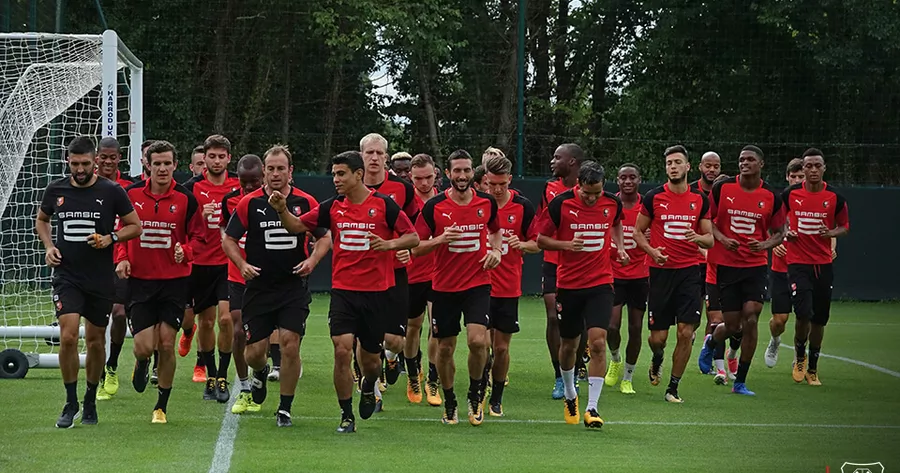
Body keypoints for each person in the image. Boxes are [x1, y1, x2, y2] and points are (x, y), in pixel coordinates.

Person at [271, 150, 419, 433]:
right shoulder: (332, 207)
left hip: (377, 294)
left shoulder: (385, 205)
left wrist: (387, 245)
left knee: (372, 362)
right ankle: (346, 415)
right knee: (342, 351)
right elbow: (296, 226)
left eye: (341, 174)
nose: (335, 179)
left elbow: (412, 237)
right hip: (343, 293)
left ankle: (368, 386)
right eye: (334, 174)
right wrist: (281, 210)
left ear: (358, 174)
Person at [36, 136, 141, 428]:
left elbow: (136, 226)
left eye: (85, 163)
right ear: (67, 162)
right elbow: (42, 220)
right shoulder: (56, 189)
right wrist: (48, 246)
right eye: (74, 163)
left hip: (100, 279)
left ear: (95, 161)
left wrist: (111, 238)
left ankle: (90, 398)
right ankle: (70, 401)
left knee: (95, 341)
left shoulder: (111, 191)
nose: (79, 169)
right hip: (67, 276)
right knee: (68, 336)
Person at [223, 145, 322, 427]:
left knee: (290, 345)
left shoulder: (306, 202)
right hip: (259, 288)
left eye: (281, 168)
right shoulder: (249, 203)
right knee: (254, 352)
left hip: (292, 287)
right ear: (264, 171)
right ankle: (261, 371)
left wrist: (313, 260)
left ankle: (285, 407)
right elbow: (229, 239)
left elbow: (324, 236)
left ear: (291, 171)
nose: (276, 174)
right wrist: (242, 265)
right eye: (271, 168)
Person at [115, 140, 203, 423]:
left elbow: (199, 238)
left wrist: (185, 252)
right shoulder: (131, 195)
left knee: (166, 344)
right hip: (140, 282)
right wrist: (122, 258)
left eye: (167, 163)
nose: (163, 168)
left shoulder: (187, 199)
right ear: (147, 165)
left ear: (175, 165)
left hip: (174, 283)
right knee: (143, 346)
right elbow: (121, 231)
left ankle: (161, 406)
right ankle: (141, 362)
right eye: (157, 164)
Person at [413, 149, 502, 426]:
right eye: (457, 171)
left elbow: (495, 231)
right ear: (447, 174)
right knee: (445, 349)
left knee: (478, 341)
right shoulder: (434, 207)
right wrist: (439, 240)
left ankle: (475, 394)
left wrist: (496, 251)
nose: (462, 176)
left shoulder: (487, 203)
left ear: (472, 171)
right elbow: (415, 246)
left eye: (466, 170)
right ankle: (449, 401)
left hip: (478, 284)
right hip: (444, 287)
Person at [536, 160, 625, 428]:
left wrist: (619, 247)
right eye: (587, 193)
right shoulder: (560, 204)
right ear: (579, 185)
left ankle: (593, 408)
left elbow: (617, 223)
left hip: (601, 282)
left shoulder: (611, 203)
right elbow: (541, 239)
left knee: (597, 342)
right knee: (569, 346)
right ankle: (570, 393)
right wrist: (566, 244)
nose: (592, 198)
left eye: (597, 193)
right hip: (569, 285)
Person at [697, 146, 785, 395]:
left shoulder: (771, 196)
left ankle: (740, 382)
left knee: (752, 317)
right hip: (725, 265)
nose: (745, 163)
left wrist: (765, 244)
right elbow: (707, 223)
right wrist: (723, 239)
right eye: (741, 160)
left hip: (755, 266)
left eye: (750, 160)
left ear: (761, 164)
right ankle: (712, 341)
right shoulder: (722, 189)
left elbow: (780, 232)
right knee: (733, 325)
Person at [633, 145, 714, 403]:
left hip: (690, 273)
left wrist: (698, 237)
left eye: (678, 162)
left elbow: (710, 240)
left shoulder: (700, 199)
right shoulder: (653, 197)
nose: (673, 167)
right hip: (660, 273)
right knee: (658, 338)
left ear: (688, 167)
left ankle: (673, 387)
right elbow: (637, 233)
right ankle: (658, 357)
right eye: (669, 163)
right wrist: (651, 252)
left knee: (685, 332)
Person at [782, 148, 849, 386]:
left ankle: (813, 367)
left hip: (823, 264)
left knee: (819, 319)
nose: (812, 170)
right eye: (808, 166)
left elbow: (844, 226)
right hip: (798, 263)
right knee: (802, 313)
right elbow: (778, 221)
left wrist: (831, 233)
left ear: (823, 168)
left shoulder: (835, 197)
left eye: (816, 166)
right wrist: (785, 232)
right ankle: (799, 357)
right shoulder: (789, 194)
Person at [182, 135, 240, 402]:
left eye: (221, 156)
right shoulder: (191, 188)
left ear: (229, 158)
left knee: (226, 319)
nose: (216, 161)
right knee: (204, 321)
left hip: (226, 263)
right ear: (203, 158)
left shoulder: (238, 187)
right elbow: (181, 223)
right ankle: (211, 374)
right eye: (212, 156)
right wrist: (199, 217)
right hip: (200, 264)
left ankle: (223, 377)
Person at [360, 134, 419, 391]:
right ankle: (371, 387)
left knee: (395, 341)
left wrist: (407, 249)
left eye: (379, 153)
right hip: (360, 272)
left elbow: (415, 228)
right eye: (369, 153)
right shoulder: (349, 184)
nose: (374, 158)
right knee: (362, 335)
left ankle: (392, 358)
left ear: (386, 157)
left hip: (394, 271)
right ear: (361, 155)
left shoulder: (402, 189)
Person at [482, 154, 539, 417]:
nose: (496, 189)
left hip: (508, 287)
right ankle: (479, 388)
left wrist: (521, 245)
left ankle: (497, 396)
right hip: (478, 286)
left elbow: (537, 243)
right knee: (479, 343)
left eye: (501, 184)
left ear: (509, 180)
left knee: (502, 347)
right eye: (491, 184)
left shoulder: (523, 207)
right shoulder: (477, 204)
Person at [764, 158, 825, 368]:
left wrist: (832, 247)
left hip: (805, 267)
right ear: (787, 177)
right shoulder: (780, 201)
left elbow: (827, 224)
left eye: (801, 176)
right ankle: (775, 340)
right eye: (794, 176)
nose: (798, 180)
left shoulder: (814, 199)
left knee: (805, 316)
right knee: (779, 320)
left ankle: (799, 355)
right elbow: (765, 226)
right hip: (781, 268)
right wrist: (773, 244)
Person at [92, 137, 137, 402]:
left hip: (120, 260)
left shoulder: (130, 186)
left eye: (113, 157)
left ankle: (111, 365)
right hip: (92, 263)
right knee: (97, 320)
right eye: (103, 157)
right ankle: (97, 376)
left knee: (119, 314)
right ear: (96, 157)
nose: (107, 161)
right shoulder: (84, 184)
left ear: (119, 158)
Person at [219, 154, 264, 414]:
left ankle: (261, 371)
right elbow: (226, 234)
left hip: (266, 277)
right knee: (237, 331)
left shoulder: (274, 201)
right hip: (238, 274)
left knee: (261, 340)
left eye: (253, 181)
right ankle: (244, 387)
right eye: (244, 182)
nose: (248, 187)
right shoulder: (230, 201)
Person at [540, 143, 584, 399]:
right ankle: (559, 374)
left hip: (583, 265)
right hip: (554, 260)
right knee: (552, 316)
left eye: (558, 157)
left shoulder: (589, 188)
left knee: (581, 321)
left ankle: (576, 369)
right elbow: (542, 224)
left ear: (572, 162)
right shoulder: (549, 188)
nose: (553, 160)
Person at [604, 163, 648, 395]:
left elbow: (658, 231)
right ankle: (615, 359)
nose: (628, 181)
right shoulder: (610, 203)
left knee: (636, 327)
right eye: (623, 178)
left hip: (640, 274)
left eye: (632, 177)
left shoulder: (646, 206)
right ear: (617, 181)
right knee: (611, 325)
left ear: (639, 180)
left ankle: (628, 377)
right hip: (613, 273)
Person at [402, 154, 442, 405]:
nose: (424, 182)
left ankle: (433, 380)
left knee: (437, 328)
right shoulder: (406, 203)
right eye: (418, 178)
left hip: (440, 274)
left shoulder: (445, 200)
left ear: (436, 174)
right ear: (410, 177)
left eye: (428, 177)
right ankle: (413, 374)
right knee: (412, 327)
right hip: (412, 273)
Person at [691, 152, 722, 339]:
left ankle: (707, 352)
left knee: (715, 317)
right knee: (693, 316)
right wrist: (703, 250)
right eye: (708, 165)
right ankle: (691, 332)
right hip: (694, 262)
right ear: (700, 167)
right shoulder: (691, 191)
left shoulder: (725, 192)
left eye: (716, 166)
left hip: (717, 263)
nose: (711, 170)